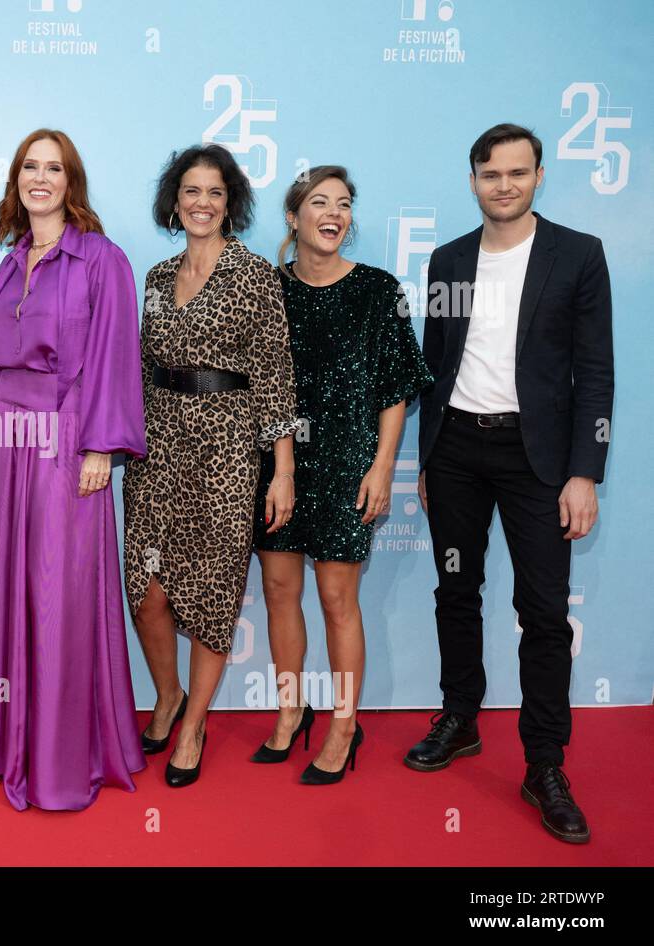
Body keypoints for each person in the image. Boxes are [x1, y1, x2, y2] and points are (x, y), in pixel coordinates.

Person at [410, 124, 613, 844]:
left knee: (545, 613)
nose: (504, 185)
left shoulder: (578, 257)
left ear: (539, 176)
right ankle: (460, 719)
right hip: (458, 448)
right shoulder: (449, 261)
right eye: (491, 174)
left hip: (539, 459)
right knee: (455, 591)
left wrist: (585, 471)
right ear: (472, 179)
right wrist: (428, 457)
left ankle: (544, 765)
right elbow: (432, 366)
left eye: (517, 173)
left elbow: (595, 371)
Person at [0, 128, 147, 811]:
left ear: (71, 182)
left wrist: (99, 448)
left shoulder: (102, 259)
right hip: (4, 442)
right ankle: (10, 732)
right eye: (30, 166)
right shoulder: (13, 259)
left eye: (53, 168)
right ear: (16, 180)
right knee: (9, 587)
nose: (40, 178)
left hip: (65, 440)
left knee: (58, 595)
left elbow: (115, 356)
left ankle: (58, 754)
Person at [123, 144, 298, 788]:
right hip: (157, 444)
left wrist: (281, 471)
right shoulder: (155, 277)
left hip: (226, 447)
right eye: (191, 191)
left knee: (213, 592)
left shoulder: (254, 275)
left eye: (215, 192)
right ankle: (167, 696)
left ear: (232, 203)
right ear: (175, 201)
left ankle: (193, 723)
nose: (202, 202)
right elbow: (137, 370)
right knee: (146, 592)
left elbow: (276, 376)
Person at [251, 166, 433, 783]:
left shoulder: (379, 290)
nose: (334, 213)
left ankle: (345, 724)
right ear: (293, 217)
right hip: (277, 465)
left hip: (349, 464)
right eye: (320, 202)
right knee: (279, 592)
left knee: (337, 599)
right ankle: (289, 710)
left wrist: (383, 468)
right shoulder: (267, 291)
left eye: (345, 204)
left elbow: (396, 390)